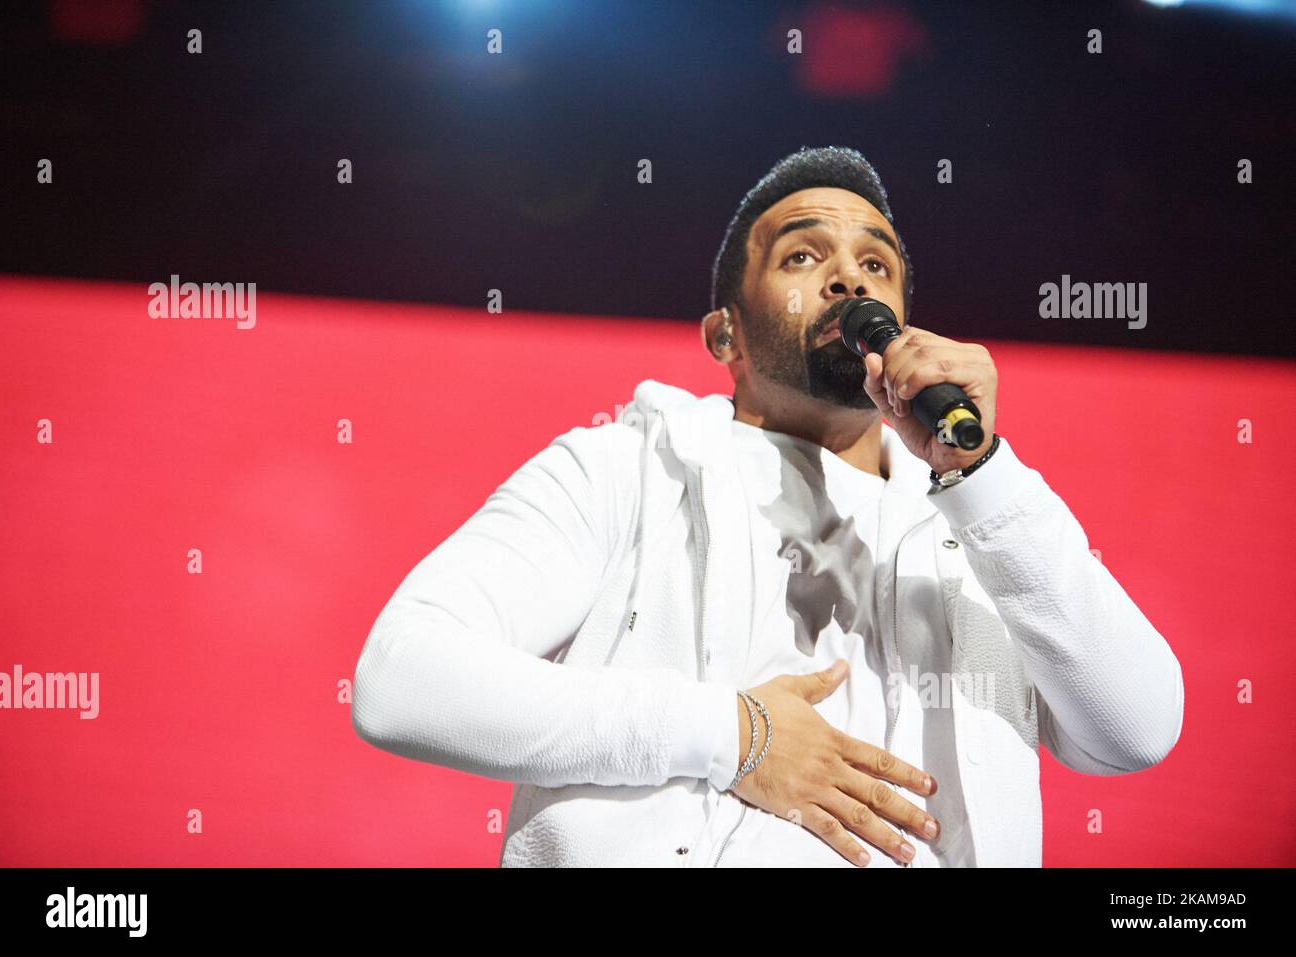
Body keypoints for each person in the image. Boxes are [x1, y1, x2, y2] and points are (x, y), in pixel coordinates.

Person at [351, 145, 1184, 867]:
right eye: (801, 257)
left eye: (876, 264)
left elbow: (1137, 727)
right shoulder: (628, 468)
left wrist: (982, 473)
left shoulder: (975, 531)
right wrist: (732, 735)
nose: (849, 276)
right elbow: (403, 677)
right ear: (726, 336)